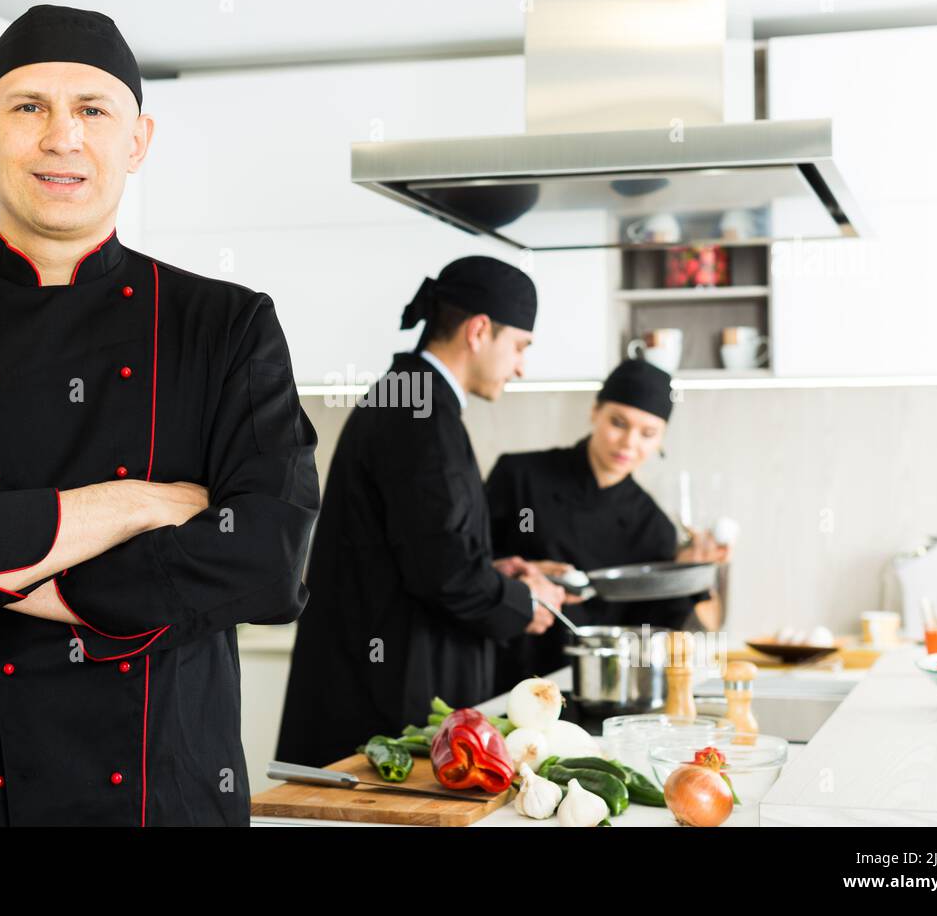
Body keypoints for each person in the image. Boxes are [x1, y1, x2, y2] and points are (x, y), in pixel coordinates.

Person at [0, 4, 320, 826]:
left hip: (163, 801)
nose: (61, 138)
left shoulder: (226, 326)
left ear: (136, 140)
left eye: (92, 111)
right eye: (29, 107)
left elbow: (269, 562)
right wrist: (139, 504)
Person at [274, 257, 573, 769]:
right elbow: (444, 571)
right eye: (520, 346)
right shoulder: (419, 414)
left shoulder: (412, 400)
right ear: (480, 331)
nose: (521, 365)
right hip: (387, 700)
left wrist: (495, 573)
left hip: (379, 681)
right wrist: (524, 603)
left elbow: (424, 548)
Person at [485, 358, 728, 695]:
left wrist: (692, 574)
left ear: (661, 440)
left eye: (647, 434)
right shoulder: (519, 476)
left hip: (594, 688)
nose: (629, 442)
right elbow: (468, 565)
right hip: (503, 677)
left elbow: (653, 629)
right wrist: (516, 574)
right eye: (618, 422)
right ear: (594, 412)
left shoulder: (654, 526)